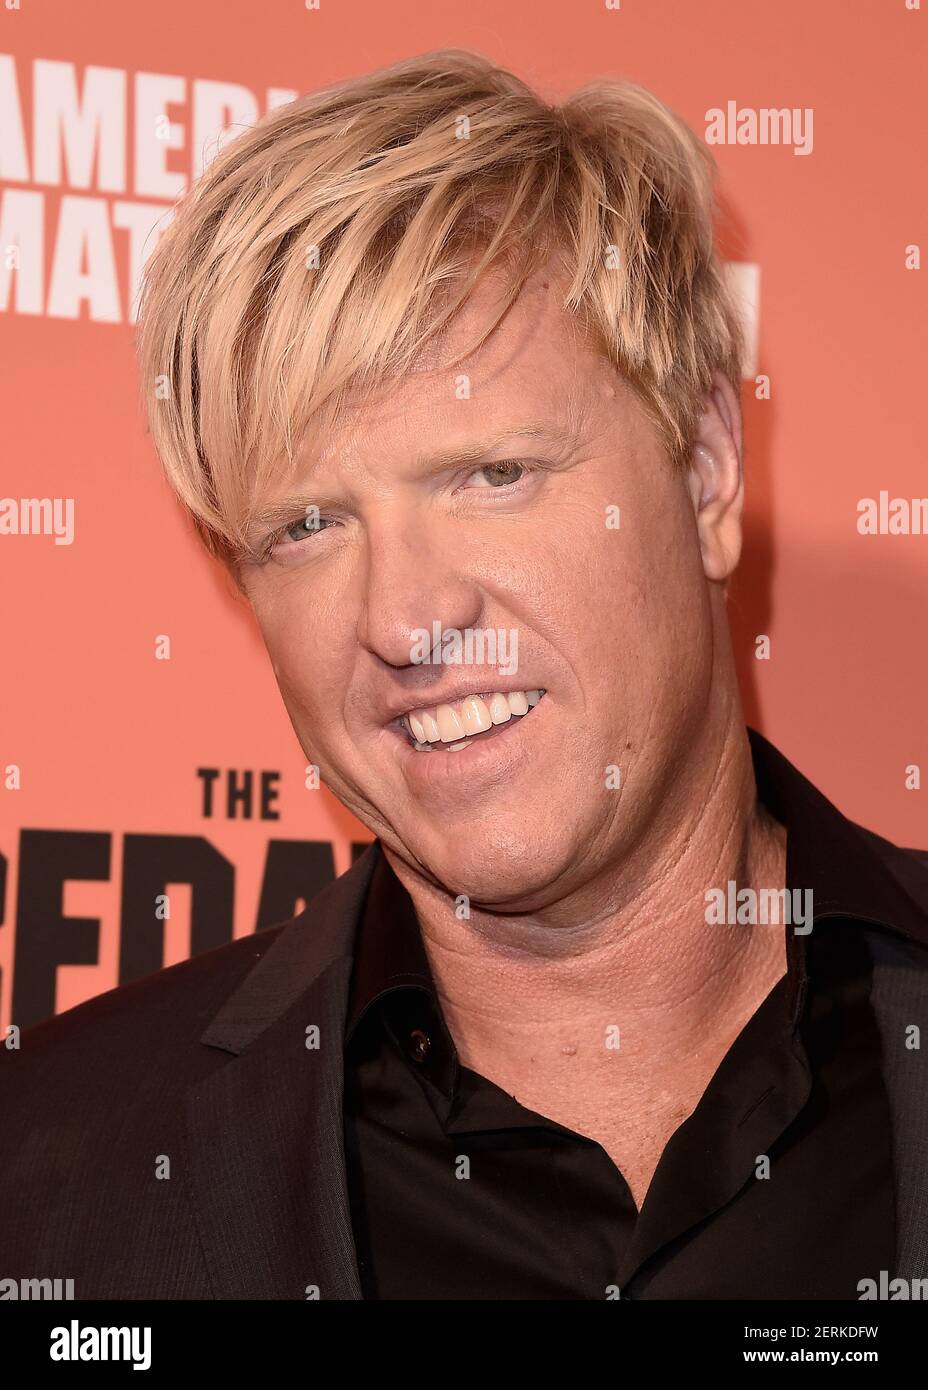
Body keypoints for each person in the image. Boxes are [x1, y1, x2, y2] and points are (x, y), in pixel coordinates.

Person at [2, 49, 926, 1301]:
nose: (404, 618)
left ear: (705, 469)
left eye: (492, 475)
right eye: (307, 526)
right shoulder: (45, 1173)